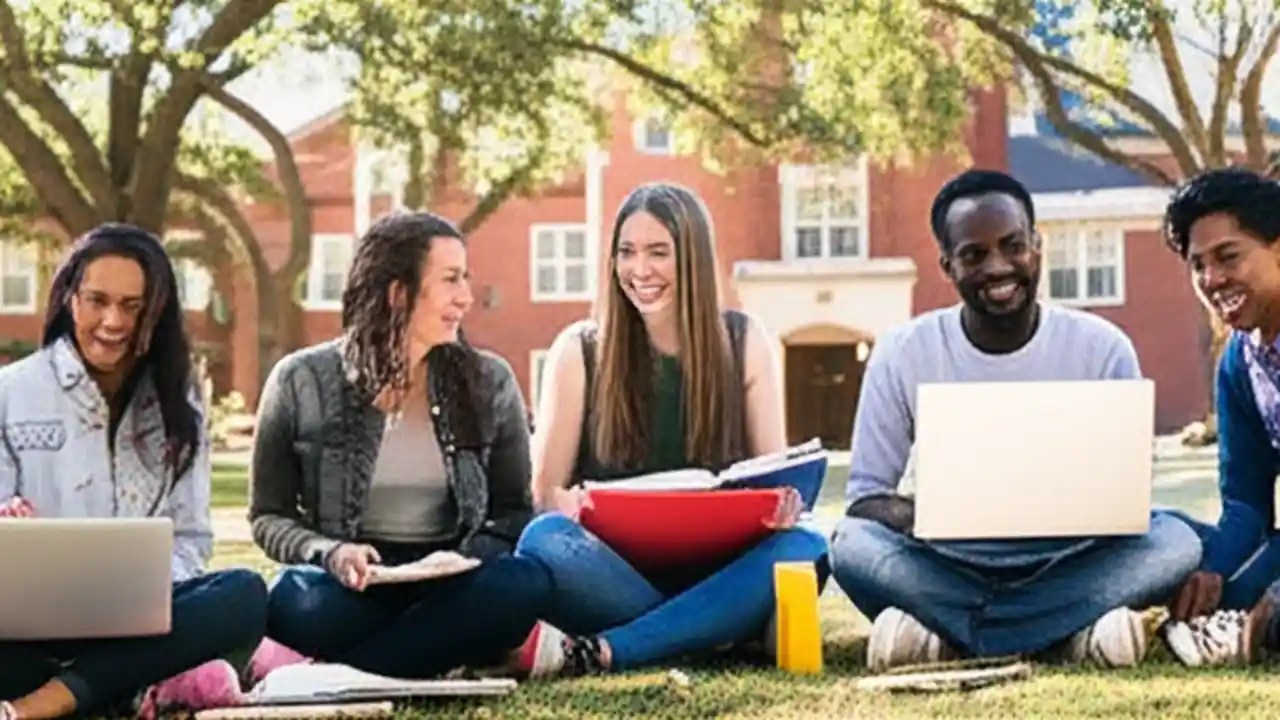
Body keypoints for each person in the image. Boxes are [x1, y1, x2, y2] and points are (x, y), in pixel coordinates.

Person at [827, 169, 1202, 671]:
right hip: (948, 561)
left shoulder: (1101, 346)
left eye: (1012, 246)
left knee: (1176, 541)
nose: (998, 267)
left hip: (1072, 559)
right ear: (947, 265)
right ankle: (1069, 634)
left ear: (1037, 248)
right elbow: (866, 498)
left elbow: (1129, 501)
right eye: (974, 255)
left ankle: (954, 636)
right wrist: (930, 515)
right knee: (850, 544)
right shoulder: (903, 351)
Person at [514, 182, 828, 678]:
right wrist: (565, 504)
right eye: (627, 252)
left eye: (659, 252)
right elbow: (543, 493)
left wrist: (785, 506)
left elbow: (777, 483)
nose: (640, 271)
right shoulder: (579, 350)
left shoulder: (745, 341)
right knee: (544, 539)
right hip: (613, 572)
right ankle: (717, 627)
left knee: (807, 547)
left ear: (694, 260)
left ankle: (615, 648)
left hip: (721, 565)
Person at [249, 211, 553, 680]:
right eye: (451, 280)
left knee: (523, 583)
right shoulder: (300, 379)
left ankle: (349, 674)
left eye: (465, 279)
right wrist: (329, 553)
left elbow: (513, 511)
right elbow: (269, 517)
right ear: (398, 293)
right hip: (351, 584)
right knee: (296, 603)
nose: (466, 298)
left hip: (452, 578)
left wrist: (466, 558)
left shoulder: (490, 381)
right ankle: (428, 653)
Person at [0, 224, 267, 720]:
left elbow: (190, 536)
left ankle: (53, 701)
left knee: (243, 595)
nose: (112, 321)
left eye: (132, 306)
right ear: (69, 299)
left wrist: (148, 593)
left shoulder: (178, 401)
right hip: (27, 636)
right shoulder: (9, 391)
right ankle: (116, 686)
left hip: (143, 626)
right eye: (97, 300)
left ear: (156, 312)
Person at [1158, 167, 1280, 666]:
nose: (1212, 280)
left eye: (1229, 256)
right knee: (1158, 534)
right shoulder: (1238, 361)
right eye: (1197, 265)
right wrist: (1211, 570)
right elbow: (1246, 505)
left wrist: (1246, 586)